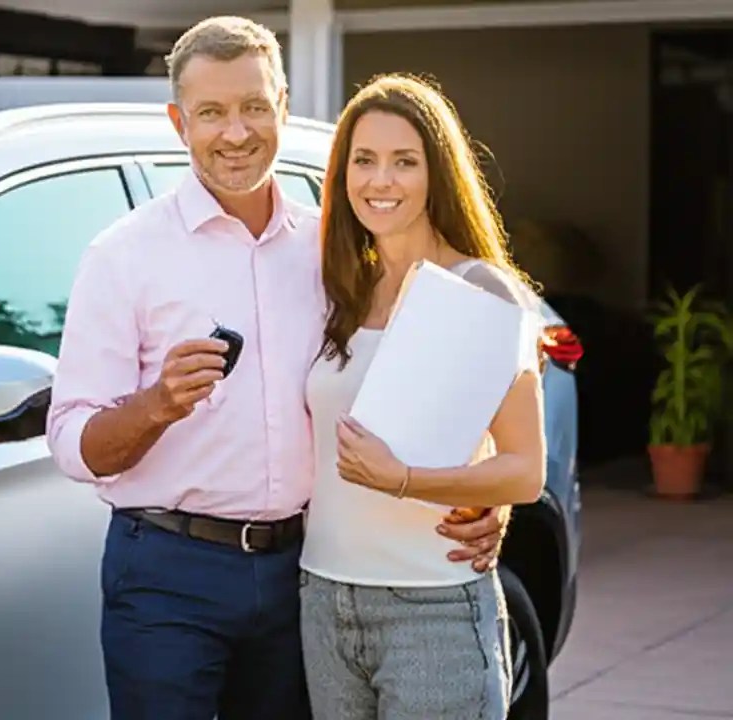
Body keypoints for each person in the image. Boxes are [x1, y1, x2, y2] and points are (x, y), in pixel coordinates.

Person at [47, 17, 508, 720]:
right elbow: (73, 444)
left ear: (284, 108)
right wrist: (157, 404)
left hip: (302, 574)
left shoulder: (333, 252)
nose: (236, 132)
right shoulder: (122, 256)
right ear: (179, 123)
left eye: (254, 107)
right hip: (169, 572)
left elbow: (423, 386)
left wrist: (486, 496)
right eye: (212, 113)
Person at [298, 72, 547, 720]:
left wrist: (405, 479)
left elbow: (524, 470)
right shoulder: (343, 292)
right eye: (364, 160)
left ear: (437, 171)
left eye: (404, 161)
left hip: (430, 606)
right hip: (325, 597)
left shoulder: (481, 291)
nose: (381, 180)